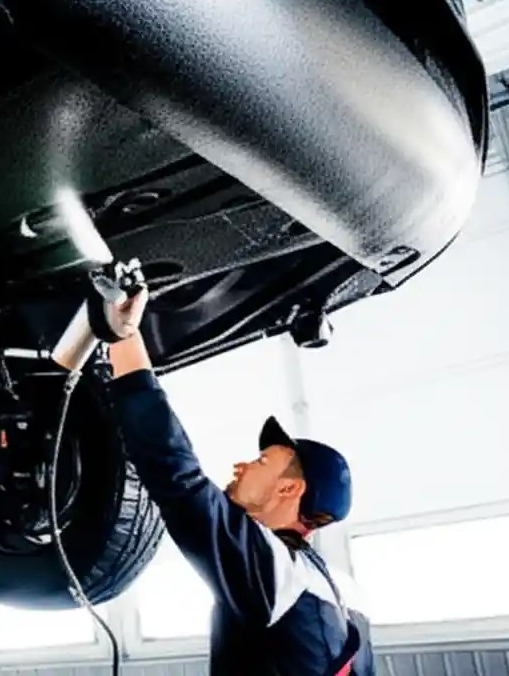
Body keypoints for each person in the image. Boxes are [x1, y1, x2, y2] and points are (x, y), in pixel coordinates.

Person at [99, 285, 374, 675]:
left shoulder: (280, 576)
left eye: (262, 461)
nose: (240, 467)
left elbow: (178, 478)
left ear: (289, 489)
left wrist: (123, 334)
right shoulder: (346, 593)